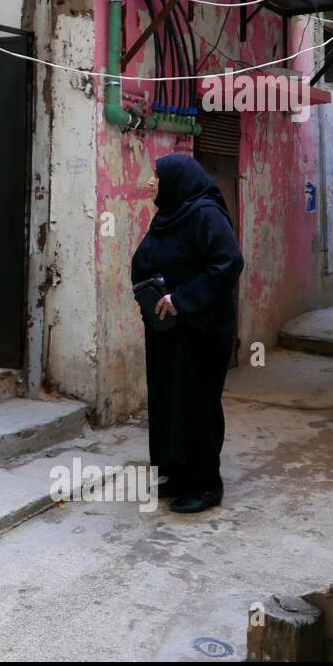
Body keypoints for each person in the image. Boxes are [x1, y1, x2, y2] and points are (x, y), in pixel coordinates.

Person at [131, 154, 244, 514]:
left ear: (176, 181)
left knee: (196, 403)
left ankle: (207, 483)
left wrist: (182, 299)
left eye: (157, 177)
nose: (150, 182)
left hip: (200, 329)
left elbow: (228, 262)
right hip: (167, 330)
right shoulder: (169, 216)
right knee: (170, 402)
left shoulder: (204, 213)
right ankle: (178, 474)